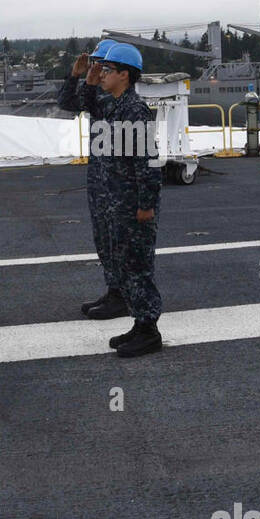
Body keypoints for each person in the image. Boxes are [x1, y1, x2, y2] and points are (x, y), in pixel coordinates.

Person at [95, 42, 163, 357]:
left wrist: (145, 205)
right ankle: (139, 323)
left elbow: (147, 162)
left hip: (134, 208)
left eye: (108, 70)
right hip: (117, 205)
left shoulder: (134, 110)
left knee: (138, 267)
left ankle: (149, 330)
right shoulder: (114, 106)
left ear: (125, 74)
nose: (102, 74)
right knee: (124, 265)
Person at [58, 40, 124, 317]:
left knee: (119, 241)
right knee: (103, 239)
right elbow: (66, 103)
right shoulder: (98, 93)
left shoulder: (112, 97)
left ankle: (123, 296)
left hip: (117, 180)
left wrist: (87, 80)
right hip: (100, 176)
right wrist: (75, 75)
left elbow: (87, 102)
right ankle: (114, 291)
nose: (97, 70)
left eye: (101, 65)